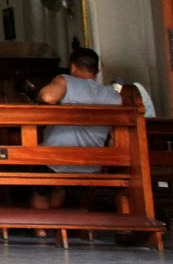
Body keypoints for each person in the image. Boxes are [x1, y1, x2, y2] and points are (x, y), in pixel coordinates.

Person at [31, 47, 122, 211]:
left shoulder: (65, 80)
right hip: (92, 162)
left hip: (56, 158)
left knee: (41, 188)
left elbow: (47, 97)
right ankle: (60, 222)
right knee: (61, 186)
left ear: (73, 67)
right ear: (97, 71)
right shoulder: (113, 95)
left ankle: (41, 229)